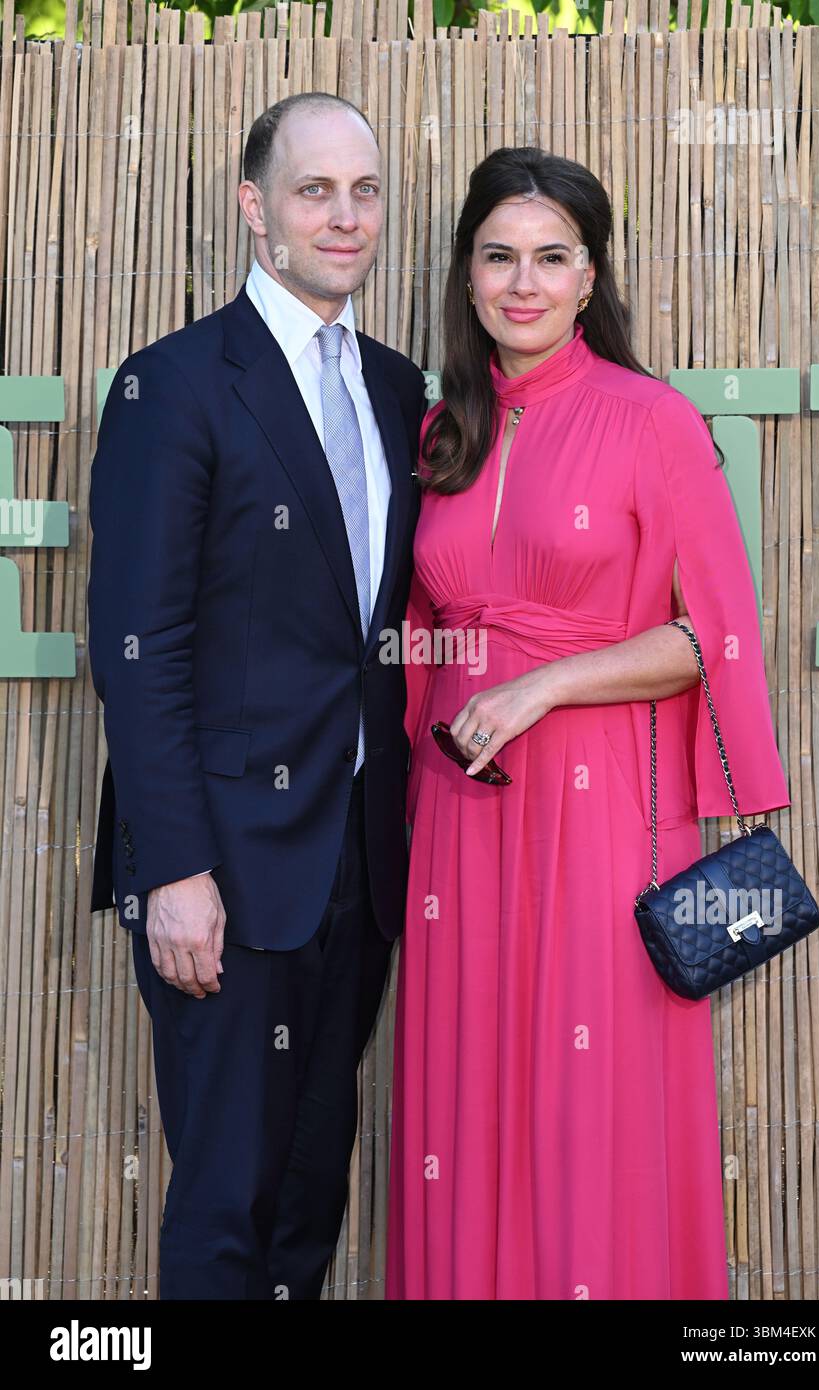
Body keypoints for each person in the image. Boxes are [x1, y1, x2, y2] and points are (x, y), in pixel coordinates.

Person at [385, 145, 791, 1300]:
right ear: (466, 278)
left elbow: (703, 640)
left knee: (589, 1098)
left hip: (605, 816)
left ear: (588, 276)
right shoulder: (437, 435)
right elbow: (418, 639)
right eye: (497, 256)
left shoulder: (649, 419)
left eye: (550, 258)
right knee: (460, 1097)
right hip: (458, 824)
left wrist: (539, 685)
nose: (522, 283)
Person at [88, 92, 426, 1300]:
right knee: (226, 1200)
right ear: (255, 208)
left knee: (307, 1191)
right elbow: (136, 644)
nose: (344, 216)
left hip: (358, 860)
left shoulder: (397, 391)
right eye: (313, 189)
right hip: (222, 866)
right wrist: (171, 867)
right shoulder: (175, 386)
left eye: (365, 190)